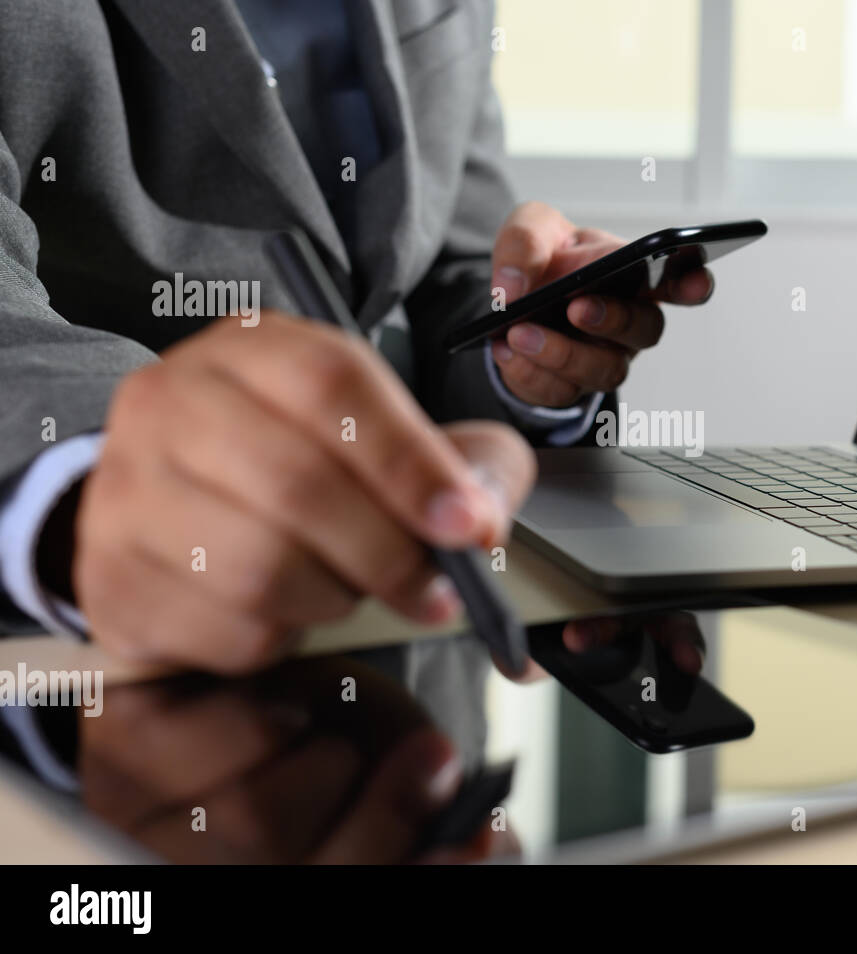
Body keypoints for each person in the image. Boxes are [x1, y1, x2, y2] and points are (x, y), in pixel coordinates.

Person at [0, 0, 713, 673]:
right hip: (92, 666)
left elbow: (454, 271)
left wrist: (529, 344)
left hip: (422, 663)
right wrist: (85, 484)